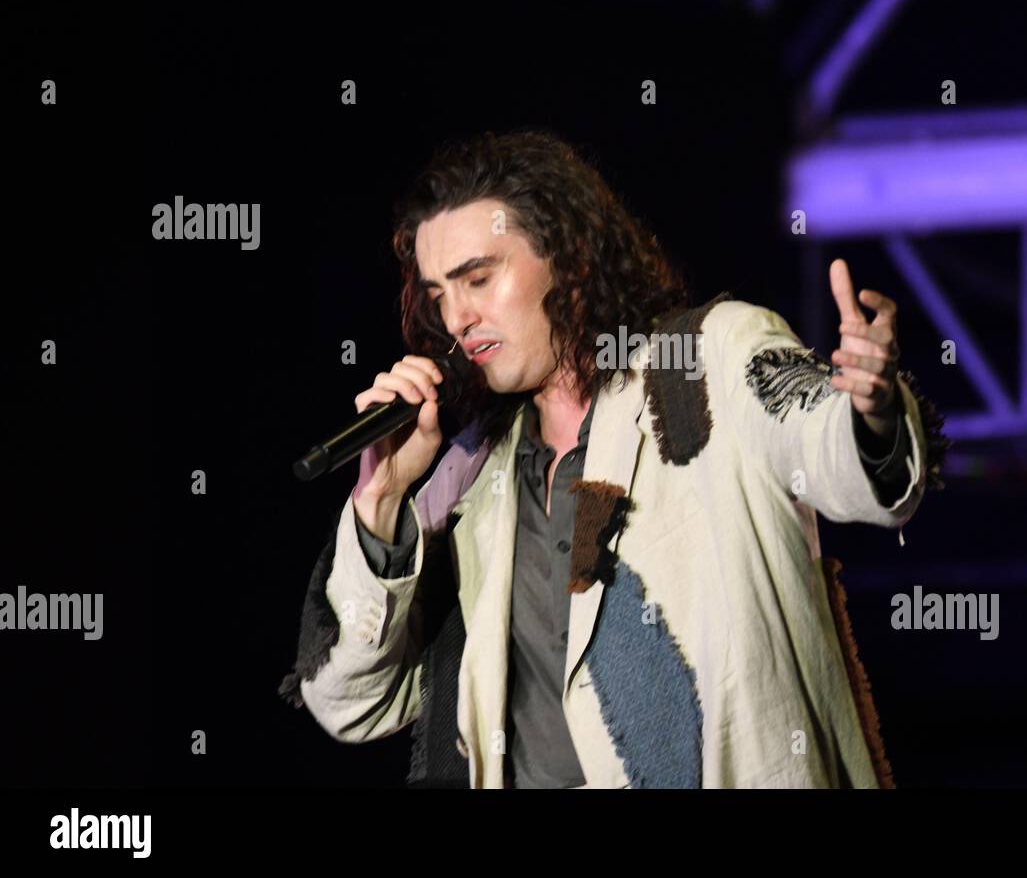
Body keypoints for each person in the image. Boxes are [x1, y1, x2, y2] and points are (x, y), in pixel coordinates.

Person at [279, 129, 947, 788]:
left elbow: (832, 456)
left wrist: (871, 412)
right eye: (437, 296)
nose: (456, 318)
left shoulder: (701, 362)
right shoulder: (471, 476)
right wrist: (381, 503)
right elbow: (349, 704)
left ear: (571, 260)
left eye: (477, 279)